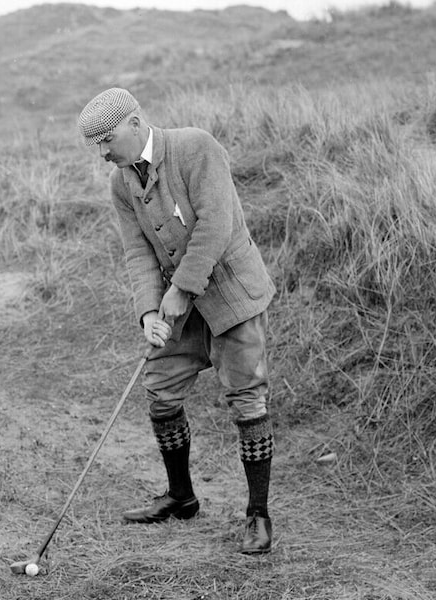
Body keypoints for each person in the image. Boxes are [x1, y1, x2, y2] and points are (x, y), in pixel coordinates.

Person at [78, 88, 276, 554]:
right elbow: (138, 252)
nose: (104, 153)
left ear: (134, 122)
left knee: (247, 402)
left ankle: (258, 515)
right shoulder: (121, 182)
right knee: (160, 392)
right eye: (96, 145)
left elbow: (215, 225)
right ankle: (181, 497)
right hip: (175, 305)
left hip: (231, 296)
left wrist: (181, 289)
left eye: (107, 139)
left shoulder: (195, 147)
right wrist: (149, 311)